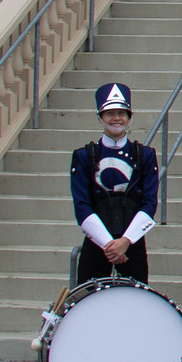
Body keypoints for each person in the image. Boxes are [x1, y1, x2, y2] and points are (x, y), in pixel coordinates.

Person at [68, 82, 159, 284]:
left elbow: (150, 202)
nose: (116, 118)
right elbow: (81, 205)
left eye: (122, 113)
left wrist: (125, 241)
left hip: (132, 241)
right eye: (110, 113)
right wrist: (110, 245)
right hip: (96, 242)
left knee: (136, 301)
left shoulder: (144, 155)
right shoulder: (84, 156)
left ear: (129, 117)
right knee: (88, 300)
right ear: (100, 117)